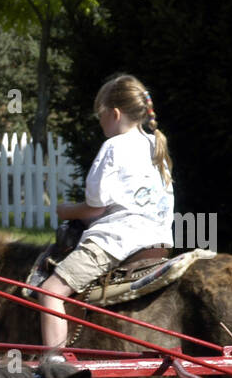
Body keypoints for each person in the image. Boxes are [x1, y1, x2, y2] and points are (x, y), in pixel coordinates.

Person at [38, 74, 174, 350]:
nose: (99, 122)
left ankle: (54, 363)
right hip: (159, 241)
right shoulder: (154, 145)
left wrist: (66, 211)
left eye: (100, 115)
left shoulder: (114, 146)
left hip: (118, 241)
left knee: (50, 292)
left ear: (114, 113)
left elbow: (96, 205)